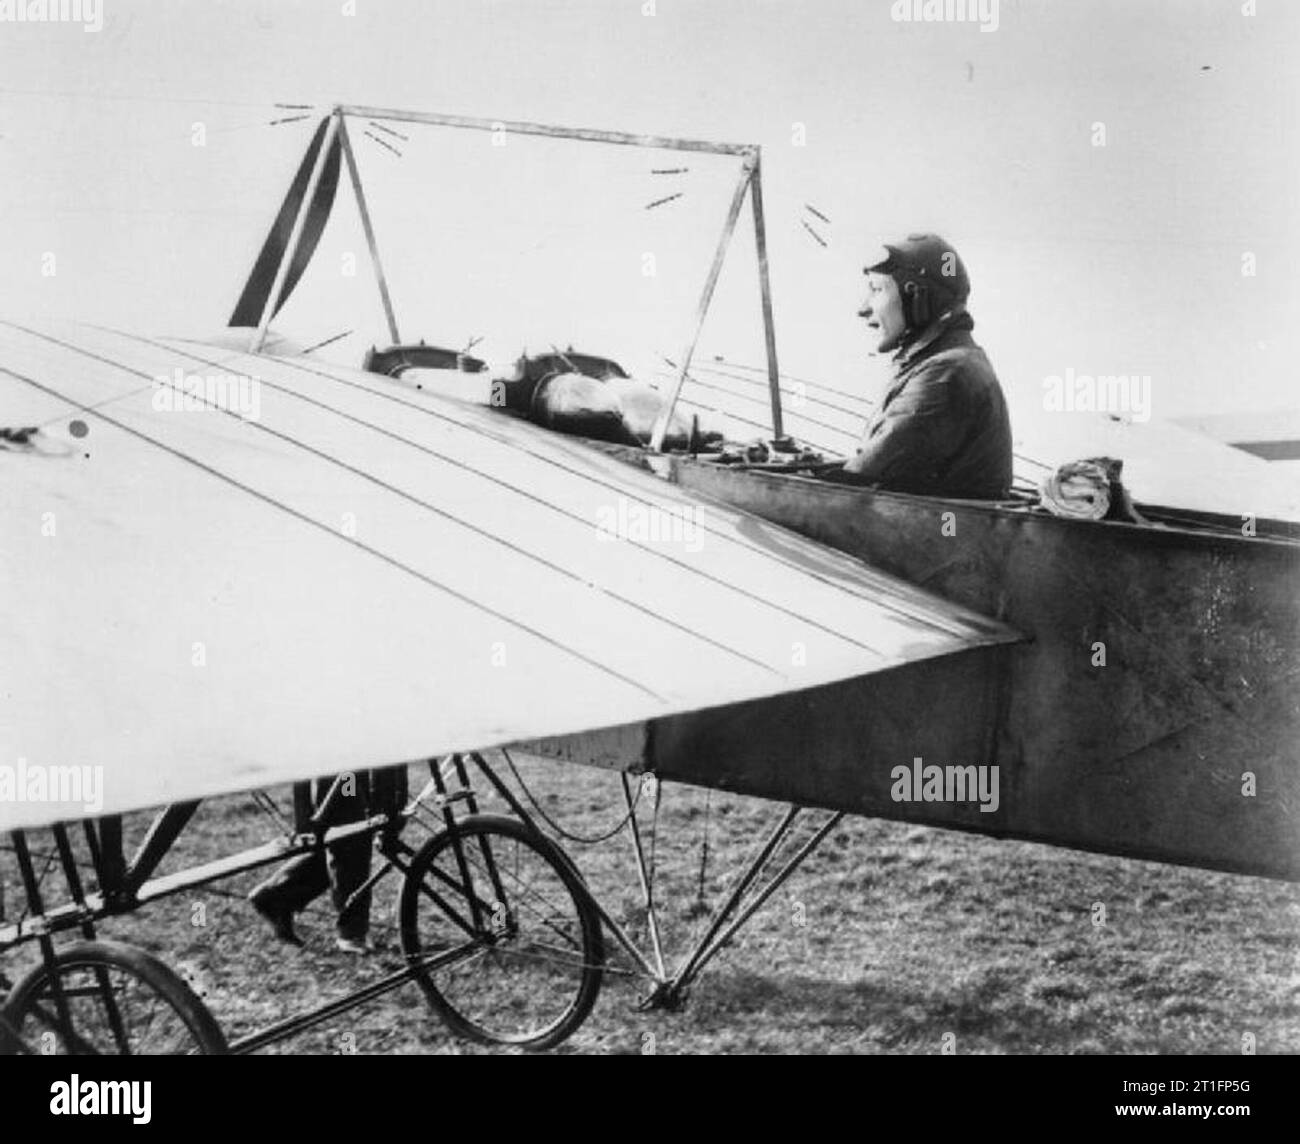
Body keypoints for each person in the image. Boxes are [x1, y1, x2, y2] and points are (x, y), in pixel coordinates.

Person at [825, 233, 1012, 499]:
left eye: (876, 290)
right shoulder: (947, 363)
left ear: (915, 296)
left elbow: (860, 481)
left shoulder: (946, 374)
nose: (863, 309)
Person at [249, 767, 405, 954]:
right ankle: (352, 933)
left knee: (346, 836)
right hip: (345, 768)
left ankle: (278, 894)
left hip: (363, 761)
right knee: (350, 829)